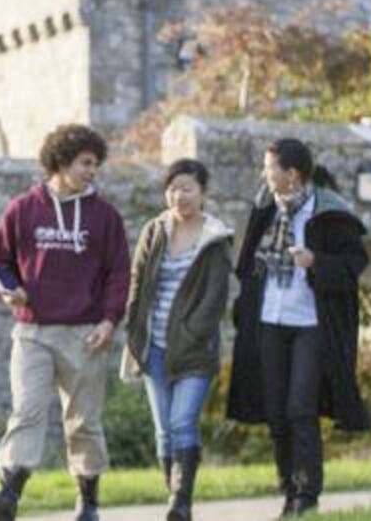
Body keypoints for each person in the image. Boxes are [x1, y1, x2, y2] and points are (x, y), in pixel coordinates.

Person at [0, 124, 131, 521]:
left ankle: (88, 503)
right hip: (33, 332)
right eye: (85, 163)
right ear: (61, 161)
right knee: (27, 411)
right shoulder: (23, 209)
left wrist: (110, 321)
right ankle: (8, 495)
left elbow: (119, 273)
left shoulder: (105, 217)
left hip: (85, 334)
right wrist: (11, 289)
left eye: (95, 164)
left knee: (82, 422)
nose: (92, 170)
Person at [224, 138, 371, 517]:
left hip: (310, 324)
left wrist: (315, 261)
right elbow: (247, 266)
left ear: (291, 174)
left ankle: (308, 495)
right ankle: (289, 492)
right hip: (269, 322)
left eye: (270, 167)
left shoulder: (328, 212)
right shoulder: (265, 208)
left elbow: (355, 262)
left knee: (300, 407)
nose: (264, 173)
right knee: (275, 410)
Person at [120, 159, 233, 521]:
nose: (178, 195)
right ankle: (174, 497)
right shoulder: (155, 231)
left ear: (202, 193)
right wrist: (134, 330)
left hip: (195, 348)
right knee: (164, 429)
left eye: (187, 188)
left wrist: (189, 333)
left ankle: (181, 502)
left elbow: (215, 298)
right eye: (172, 188)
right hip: (154, 345)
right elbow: (137, 282)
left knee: (183, 421)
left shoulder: (215, 239)